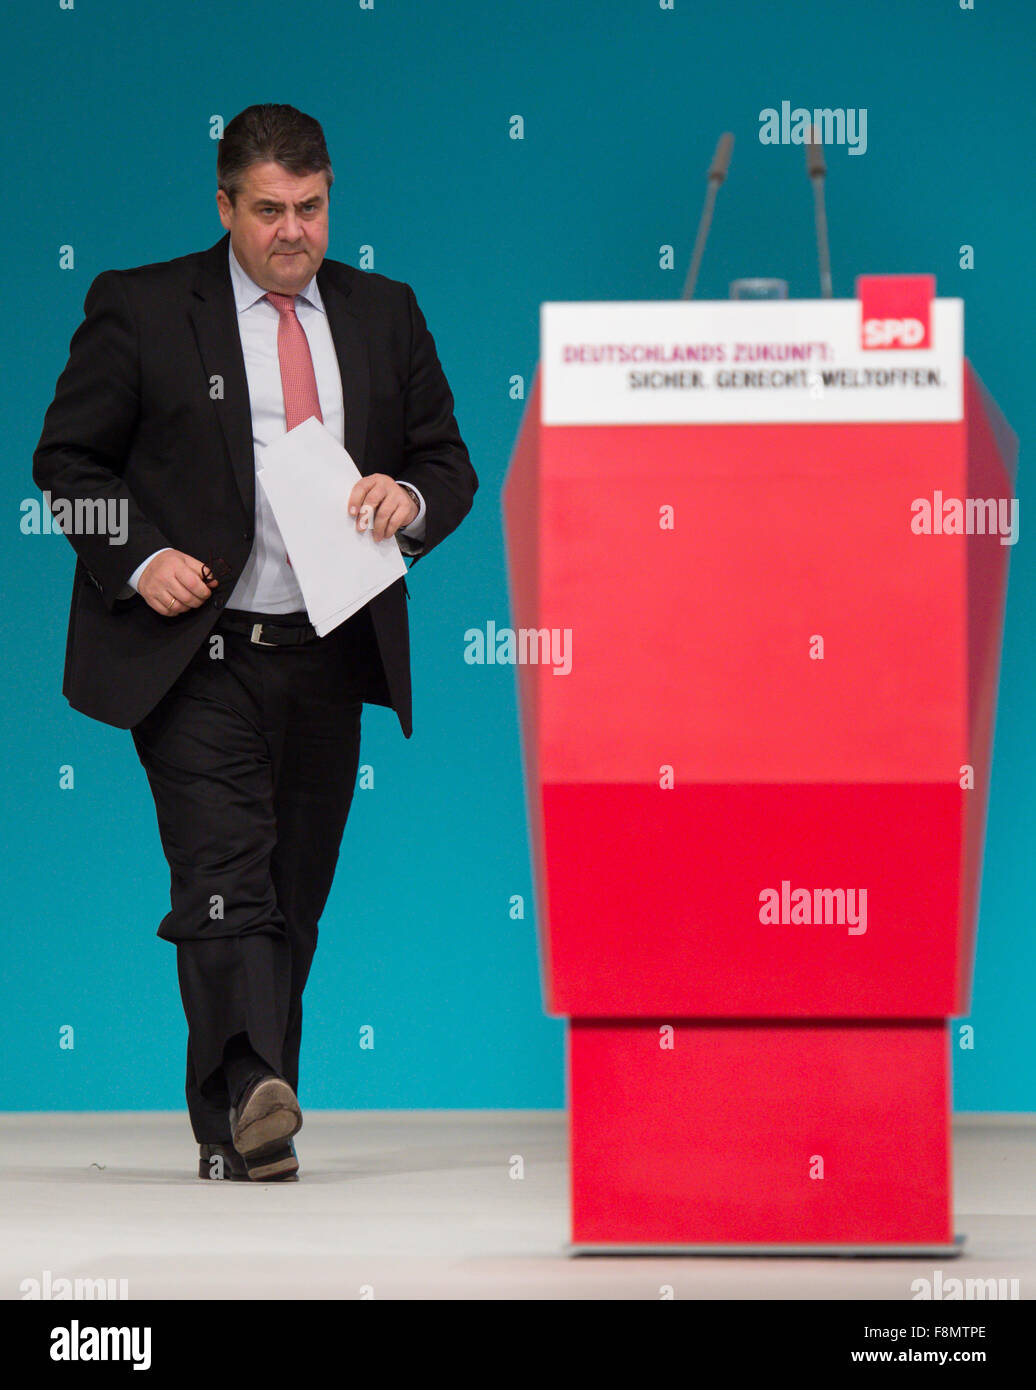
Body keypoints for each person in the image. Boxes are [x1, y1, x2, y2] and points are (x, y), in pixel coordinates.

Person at [32, 103, 478, 1182]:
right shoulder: (139, 308)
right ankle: (250, 1093)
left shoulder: (386, 313)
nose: (294, 231)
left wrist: (405, 496)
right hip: (194, 656)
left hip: (327, 647)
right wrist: (139, 559)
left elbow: (449, 466)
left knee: (290, 894)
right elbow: (65, 469)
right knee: (227, 874)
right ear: (224, 205)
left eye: (313, 208)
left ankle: (236, 1117)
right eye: (270, 210)